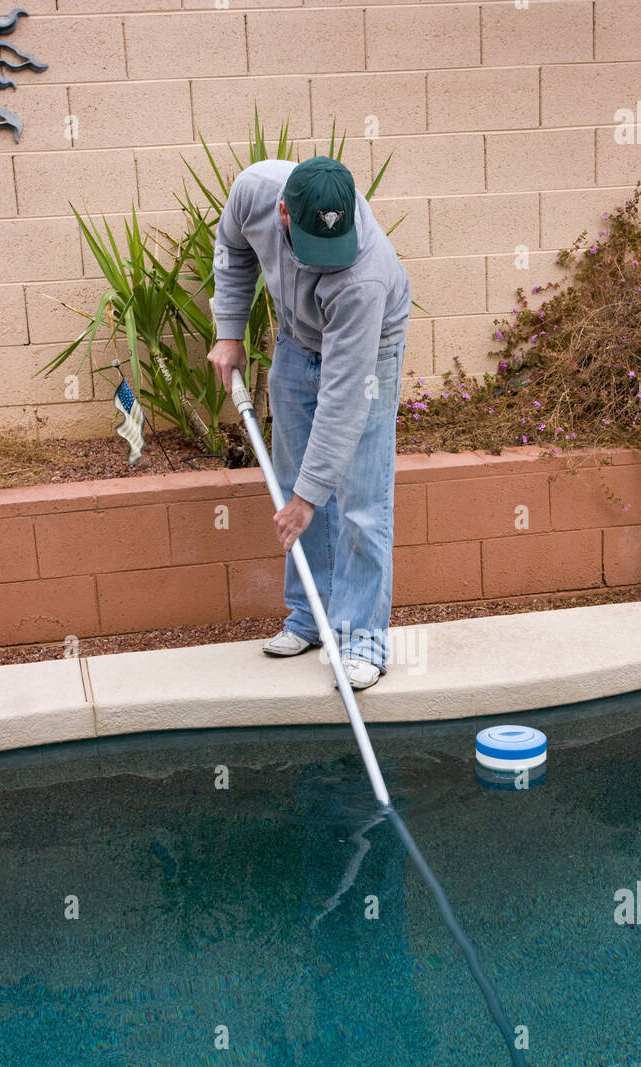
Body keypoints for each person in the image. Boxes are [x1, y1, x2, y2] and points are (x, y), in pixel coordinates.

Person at [208, 156, 411, 690]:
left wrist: (308, 496)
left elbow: (345, 397)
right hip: (297, 342)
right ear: (282, 214)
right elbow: (231, 250)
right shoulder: (254, 190)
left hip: (368, 352)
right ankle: (310, 617)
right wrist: (229, 330)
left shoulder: (361, 275)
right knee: (294, 474)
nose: (326, 263)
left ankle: (362, 639)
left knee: (361, 501)